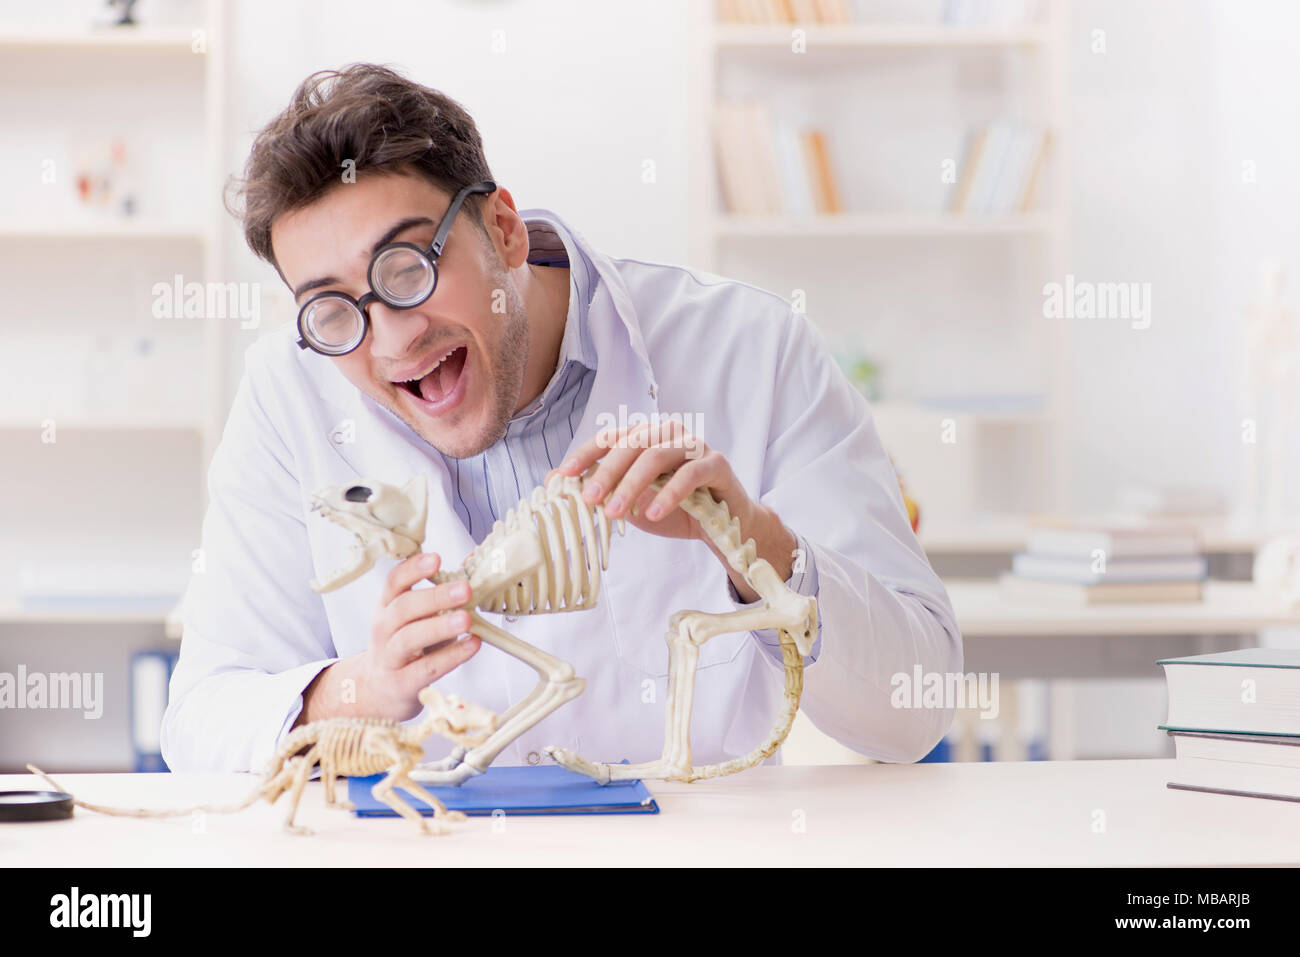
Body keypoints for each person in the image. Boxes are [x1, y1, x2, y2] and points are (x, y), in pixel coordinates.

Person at [160, 63, 962, 773]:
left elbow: (914, 710)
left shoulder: (749, 348)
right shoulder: (286, 391)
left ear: (502, 228)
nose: (394, 337)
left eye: (408, 267)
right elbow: (201, 723)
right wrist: (366, 684)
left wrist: (755, 545)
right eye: (333, 309)